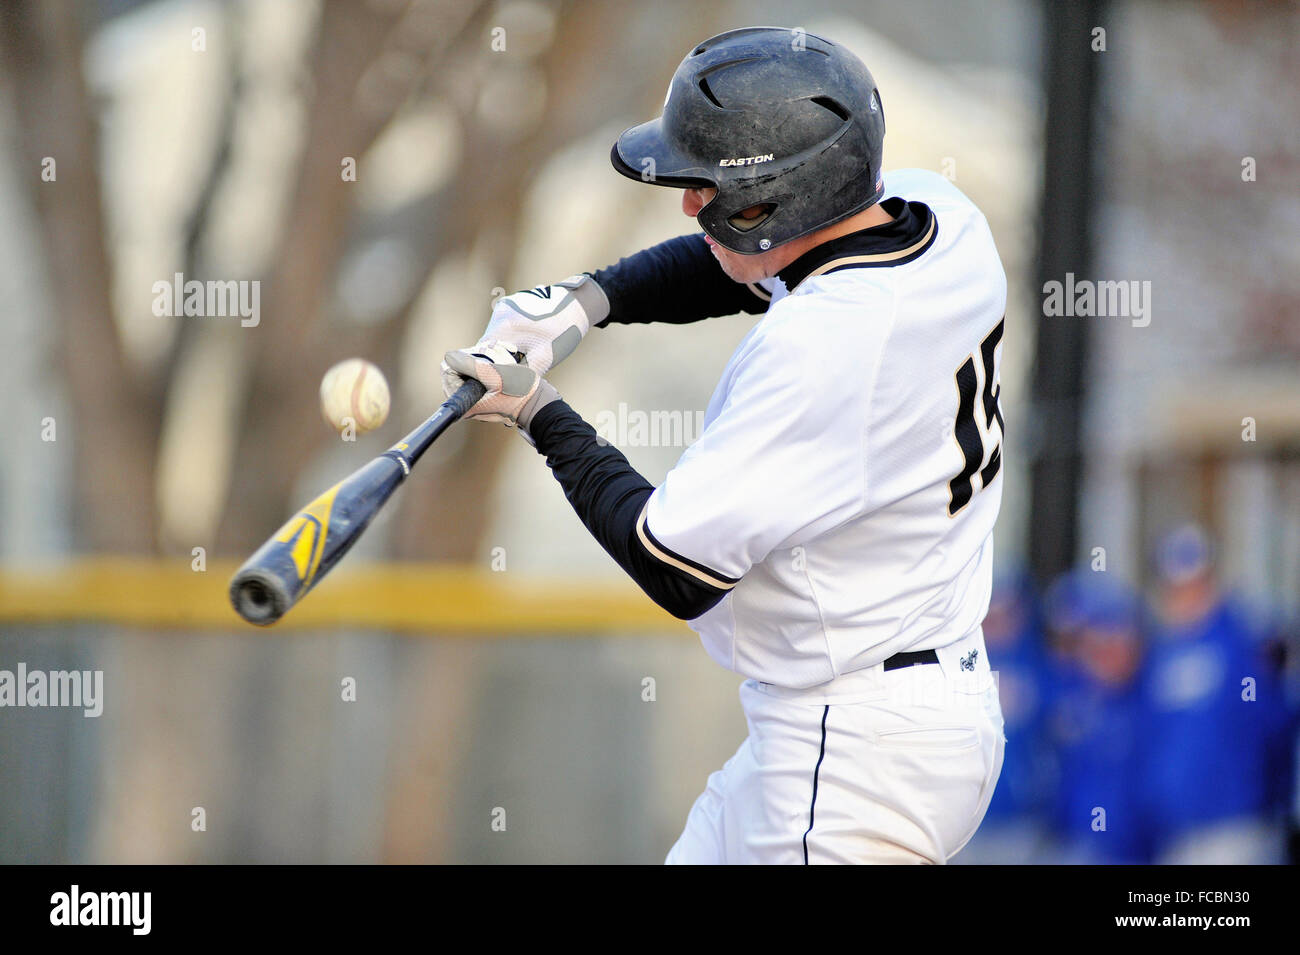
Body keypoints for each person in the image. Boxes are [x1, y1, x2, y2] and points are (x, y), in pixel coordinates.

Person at [441, 27, 1007, 863]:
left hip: (854, 749)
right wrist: (588, 300)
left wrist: (538, 413)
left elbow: (672, 563)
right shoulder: (942, 217)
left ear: (771, 202)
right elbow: (758, 260)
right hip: (889, 705)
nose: (687, 203)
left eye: (705, 188)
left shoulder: (820, 350)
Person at [1140, 524, 1291, 864]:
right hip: (1174, 832)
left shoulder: (1244, 643)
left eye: (1193, 584)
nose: (1184, 596)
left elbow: (1273, 728)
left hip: (1235, 829)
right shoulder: (1162, 651)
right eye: (1175, 587)